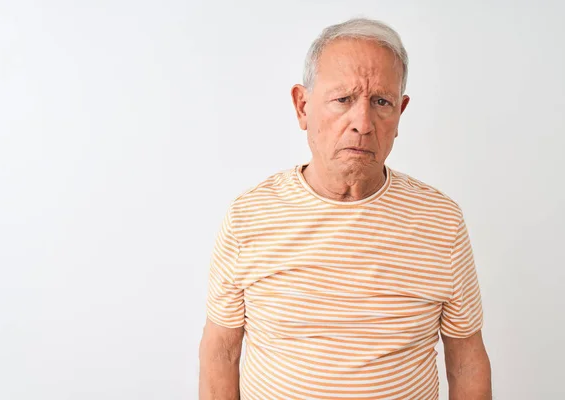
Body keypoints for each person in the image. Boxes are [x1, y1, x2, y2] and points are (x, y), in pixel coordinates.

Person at [199, 17, 492, 400]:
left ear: (400, 113)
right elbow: (221, 351)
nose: (363, 123)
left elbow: (466, 360)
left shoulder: (441, 222)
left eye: (381, 102)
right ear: (302, 106)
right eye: (343, 99)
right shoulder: (248, 217)